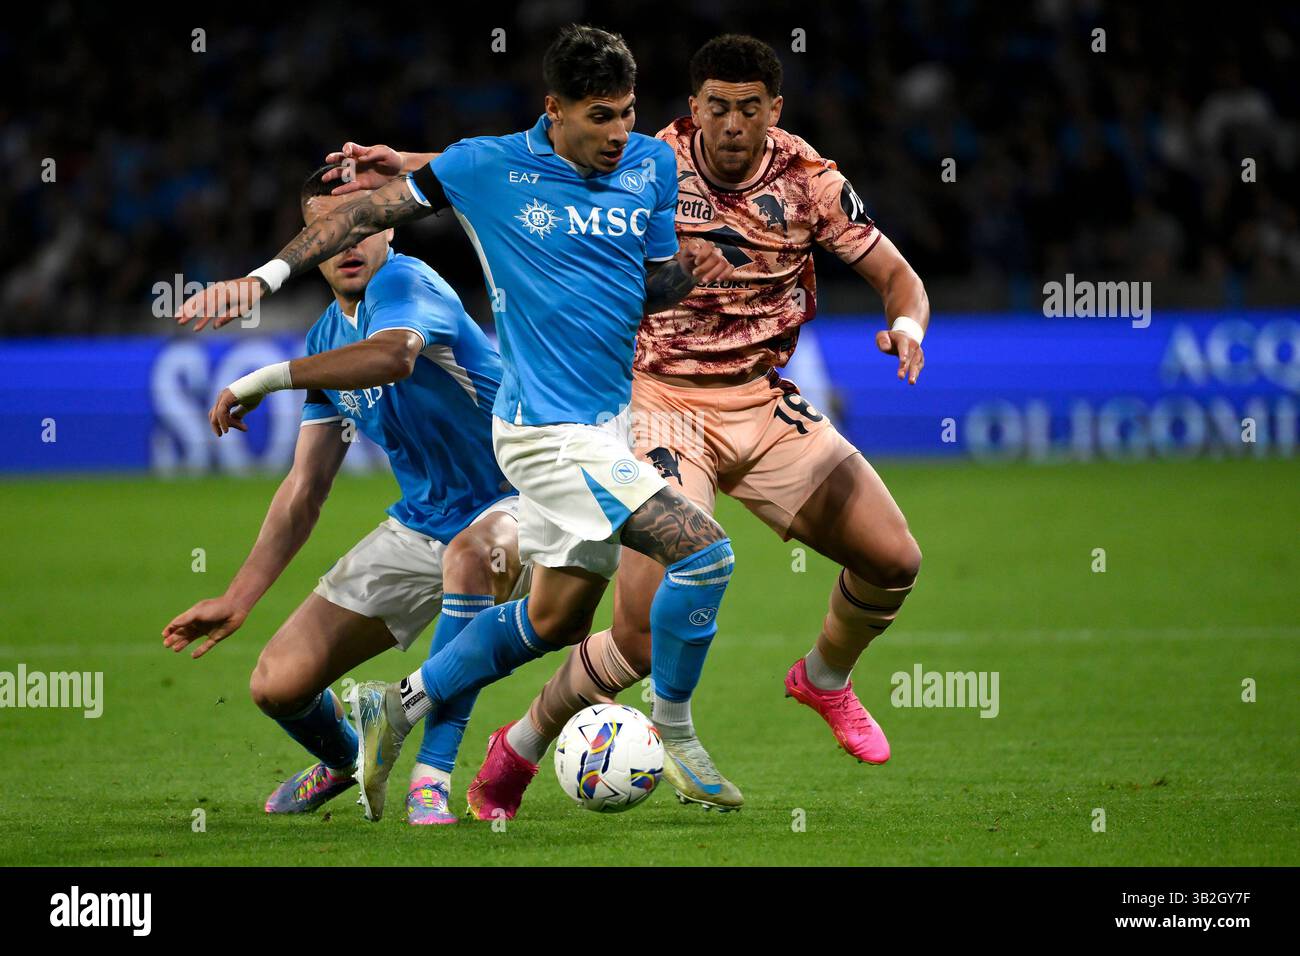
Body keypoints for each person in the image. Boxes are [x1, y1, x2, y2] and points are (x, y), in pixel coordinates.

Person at [174, 25, 744, 820]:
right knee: (706, 555)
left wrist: (694, 273)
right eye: (600, 117)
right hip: (541, 434)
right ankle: (675, 734)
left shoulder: (650, 164)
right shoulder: (486, 167)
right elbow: (356, 215)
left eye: (626, 112)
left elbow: (646, 286)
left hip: (603, 424)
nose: (619, 133)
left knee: (554, 621)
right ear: (554, 110)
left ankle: (396, 706)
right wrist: (260, 278)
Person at [469, 34, 930, 818]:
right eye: (717, 107)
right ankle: (520, 741)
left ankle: (822, 679)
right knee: (641, 632)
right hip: (660, 401)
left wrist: (909, 327)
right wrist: (414, 167)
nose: (732, 124)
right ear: (694, 109)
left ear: (773, 111)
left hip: (761, 397)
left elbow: (896, 275)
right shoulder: (644, 165)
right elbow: (522, 168)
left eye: (750, 108)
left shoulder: (810, 179)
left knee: (894, 560)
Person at [164, 166, 526, 825]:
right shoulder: (327, 338)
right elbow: (305, 488)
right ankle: (354, 760)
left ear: (389, 224)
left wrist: (266, 378)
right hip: (422, 526)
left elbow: (392, 358)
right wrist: (237, 597)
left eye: (362, 222)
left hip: (525, 504)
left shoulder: (408, 283)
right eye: (328, 229)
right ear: (308, 241)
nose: (348, 240)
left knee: (473, 553)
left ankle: (431, 778)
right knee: (278, 685)